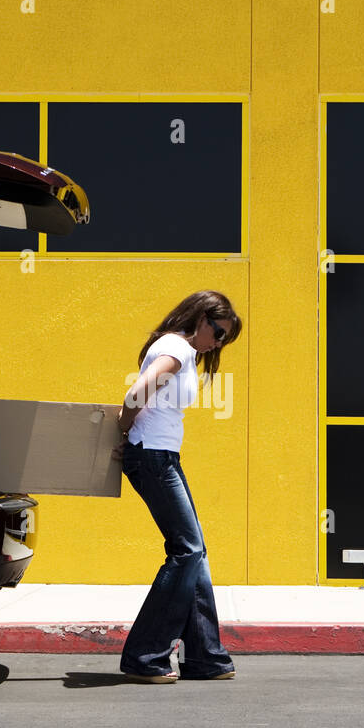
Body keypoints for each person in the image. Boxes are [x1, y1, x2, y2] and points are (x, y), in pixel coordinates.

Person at [112, 290, 242, 683]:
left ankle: (205, 657)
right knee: (188, 551)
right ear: (201, 318)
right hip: (152, 458)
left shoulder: (180, 349)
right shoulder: (178, 348)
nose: (217, 343)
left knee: (194, 552)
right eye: (217, 332)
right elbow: (137, 393)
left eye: (225, 339)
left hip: (161, 457)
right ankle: (144, 655)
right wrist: (124, 428)